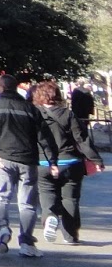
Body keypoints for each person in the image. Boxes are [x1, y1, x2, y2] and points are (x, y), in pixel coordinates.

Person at [0, 73, 41, 257]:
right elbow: (43, 135)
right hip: (27, 160)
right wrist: (50, 160)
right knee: (27, 204)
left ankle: (3, 229)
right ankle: (27, 243)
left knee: (0, 197)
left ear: (0, 88)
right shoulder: (30, 108)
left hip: (2, 159)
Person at [33, 79, 103, 245]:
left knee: (46, 193)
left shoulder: (34, 113)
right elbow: (82, 138)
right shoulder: (67, 114)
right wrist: (96, 159)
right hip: (70, 162)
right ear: (57, 95)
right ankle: (70, 236)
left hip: (43, 163)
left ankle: (49, 217)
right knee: (70, 199)